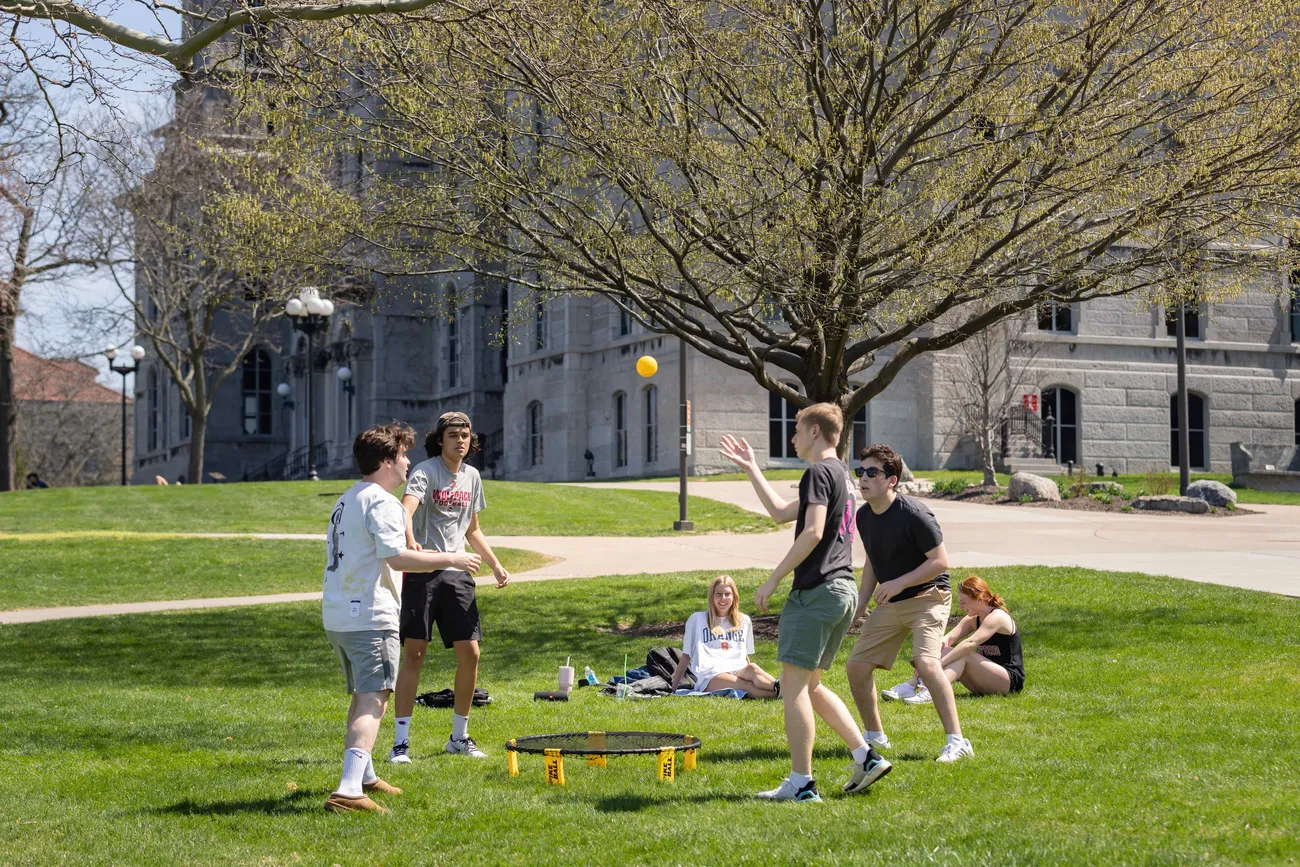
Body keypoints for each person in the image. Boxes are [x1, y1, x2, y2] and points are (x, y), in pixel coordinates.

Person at [720, 404, 891, 803]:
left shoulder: (818, 472)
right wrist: (751, 468)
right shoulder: (843, 477)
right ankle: (865, 756)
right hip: (842, 590)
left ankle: (801, 783)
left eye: (797, 430)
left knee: (793, 688)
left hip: (816, 592)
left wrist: (774, 578)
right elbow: (782, 512)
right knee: (811, 685)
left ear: (816, 431)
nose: (792, 437)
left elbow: (812, 532)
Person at [322, 422, 478, 814]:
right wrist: (452, 558)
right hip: (369, 616)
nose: (409, 462)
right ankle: (348, 790)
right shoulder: (383, 501)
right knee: (374, 701)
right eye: (403, 455)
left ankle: (366, 775)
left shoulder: (347, 499)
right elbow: (398, 557)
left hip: (340, 615)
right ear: (387, 460)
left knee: (362, 696)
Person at [390, 411, 509, 764]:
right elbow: (405, 510)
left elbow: (472, 529)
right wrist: (411, 541)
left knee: (471, 653)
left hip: (457, 571)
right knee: (414, 653)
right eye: (454, 434)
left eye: (466, 435)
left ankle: (459, 736)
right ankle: (400, 743)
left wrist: (495, 563)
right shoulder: (425, 471)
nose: (461, 440)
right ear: (440, 440)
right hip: (424, 569)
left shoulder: (472, 477)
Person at [846, 443, 974, 764]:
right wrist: (860, 606)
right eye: (860, 471)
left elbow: (940, 561)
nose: (863, 477)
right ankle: (875, 736)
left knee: (927, 662)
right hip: (891, 601)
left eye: (871, 472)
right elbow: (872, 563)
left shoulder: (915, 514)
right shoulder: (864, 516)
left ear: (891, 480)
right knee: (856, 667)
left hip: (928, 598)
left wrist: (899, 582)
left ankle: (957, 741)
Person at [883, 575, 1025, 702]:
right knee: (946, 648)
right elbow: (946, 639)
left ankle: (934, 691)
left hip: (1009, 682)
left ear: (980, 599)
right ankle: (911, 685)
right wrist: (927, 662)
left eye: (964, 602)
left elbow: (969, 643)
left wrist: (939, 664)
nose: (961, 606)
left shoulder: (997, 617)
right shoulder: (972, 619)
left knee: (964, 653)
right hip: (986, 680)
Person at [668, 574, 778, 698]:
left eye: (727, 594)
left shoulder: (744, 620)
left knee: (752, 668)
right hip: (711, 675)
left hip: (737, 669)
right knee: (745, 686)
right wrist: (674, 688)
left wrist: (748, 671)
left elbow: (744, 653)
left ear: (734, 597)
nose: (723, 598)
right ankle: (783, 695)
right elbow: (686, 655)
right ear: (712, 597)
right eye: (718, 594)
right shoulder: (697, 619)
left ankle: (783, 688)